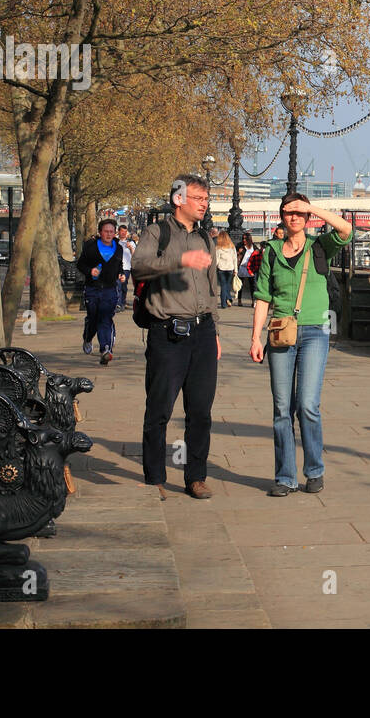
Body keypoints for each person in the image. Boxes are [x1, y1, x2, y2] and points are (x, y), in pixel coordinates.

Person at [250, 193, 353, 496]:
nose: (293, 217)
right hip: (281, 332)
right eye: (288, 212)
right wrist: (255, 337)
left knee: (307, 405)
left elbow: (346, 230)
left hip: (314, 331)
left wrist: (312, 207)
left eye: (298, 213)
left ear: (307, 218)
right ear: (281, 216)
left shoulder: (319, 247)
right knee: (282, 407)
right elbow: (262, 298)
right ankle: (285, 477)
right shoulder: (270, 252)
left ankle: (314, 470)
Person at [131, 175, 221, 501]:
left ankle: (196, 477)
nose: (204, 203)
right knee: (159, 411)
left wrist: (216, 332)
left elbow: (213, 289)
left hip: (203, 333)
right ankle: (154, 476)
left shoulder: (206, 239)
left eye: (206, 199)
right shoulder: (157, 233)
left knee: (201, 412)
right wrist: (180, 260)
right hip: (167, 334)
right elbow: (139, 267)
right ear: (178, 199)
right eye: (198, 197)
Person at [76, 218, 126, 365]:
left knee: (105, 318)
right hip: (92, 289)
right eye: (106, 231)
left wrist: (121, 273)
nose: (109, 234)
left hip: (110, 290)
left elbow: (119, 265)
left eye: (111, 231)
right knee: (93, 318)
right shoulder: (90, 246)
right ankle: (87, 337)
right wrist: (90, 271)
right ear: (100, 232)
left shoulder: (118, 248)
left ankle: (105, 350)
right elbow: (80, 264)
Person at [214, 230, 238, 309]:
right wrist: (236, 269)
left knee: (223, 286)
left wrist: (215, 267)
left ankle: (224, 303)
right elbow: (235, 259)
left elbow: (217, 260)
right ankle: (228, 299)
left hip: (221, 269)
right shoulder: (232, 247)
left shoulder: (218, 248)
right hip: (230, 268)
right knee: (227, 285)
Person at [116, 224, 136, 310]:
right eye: (122, 232)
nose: (123, 233)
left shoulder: (131, 242)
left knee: (123, 286)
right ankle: (118, 304)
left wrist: (131, 248)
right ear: (118, 232)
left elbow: (135, 255)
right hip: (117, 268)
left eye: (125, 232)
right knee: (118, 285)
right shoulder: (115, 242)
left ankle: (123, 302)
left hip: (127, 268)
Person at [236, 232, 258, 306]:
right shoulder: (239, 246)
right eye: (243, 238)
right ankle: (239, 300)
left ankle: (253, 301)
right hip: (242, 267)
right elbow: (234, 254)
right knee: (240, 285)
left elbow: (257, 254)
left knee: (253, 285)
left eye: (246, 239)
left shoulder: (253, 247)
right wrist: (238, 253)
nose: (244, 240)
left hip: (251, 268)